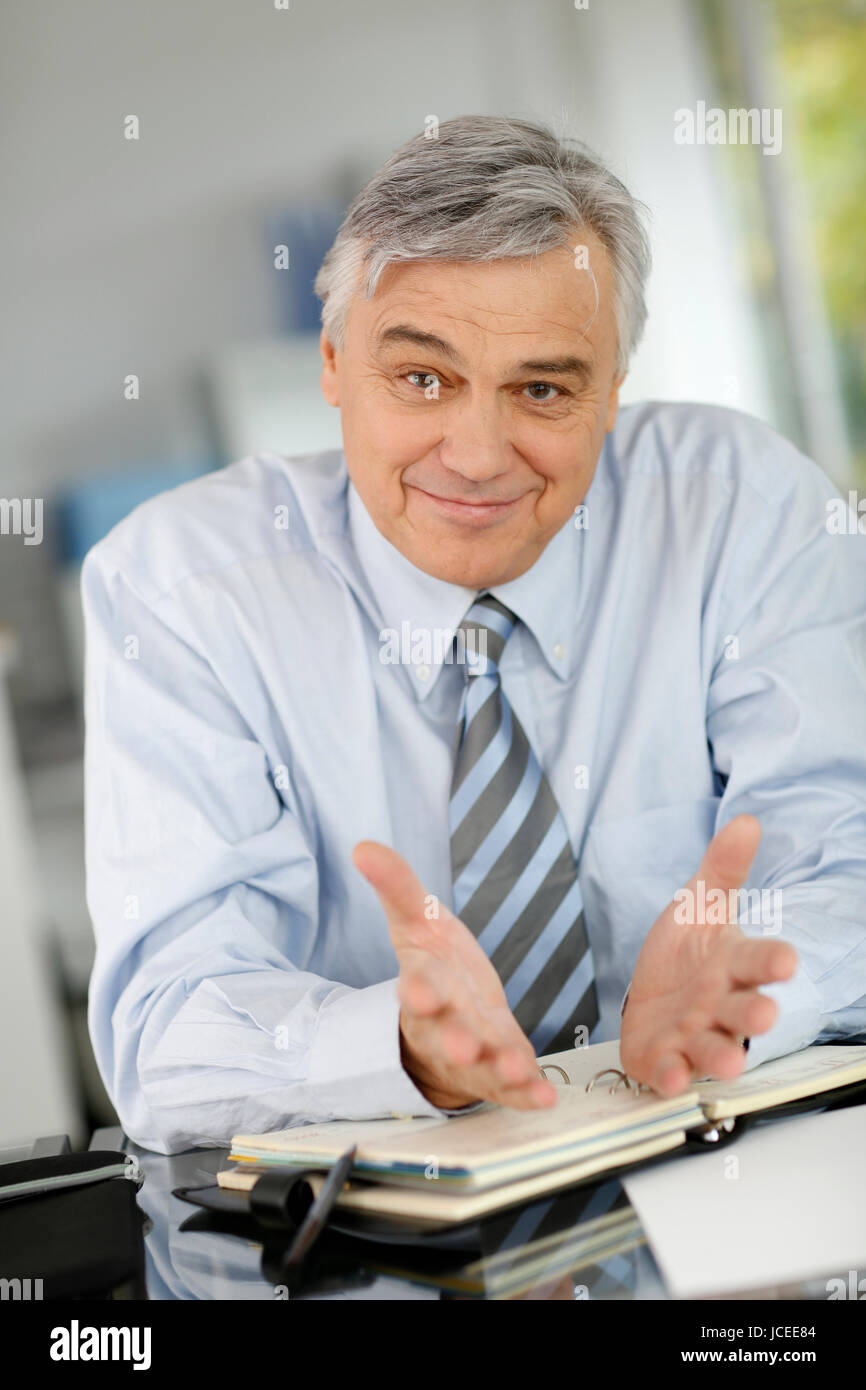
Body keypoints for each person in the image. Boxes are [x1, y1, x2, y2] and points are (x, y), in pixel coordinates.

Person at [83, 116, 866, 1154]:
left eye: (541, 388)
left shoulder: (740, 510)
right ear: (330, 363)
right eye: (421, 379)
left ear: (610, 394)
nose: (478, 453)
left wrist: (762, 976)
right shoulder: (180, 592)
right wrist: (396, 1045)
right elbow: (164, 1033)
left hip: (727, 1160)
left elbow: (847, 859)